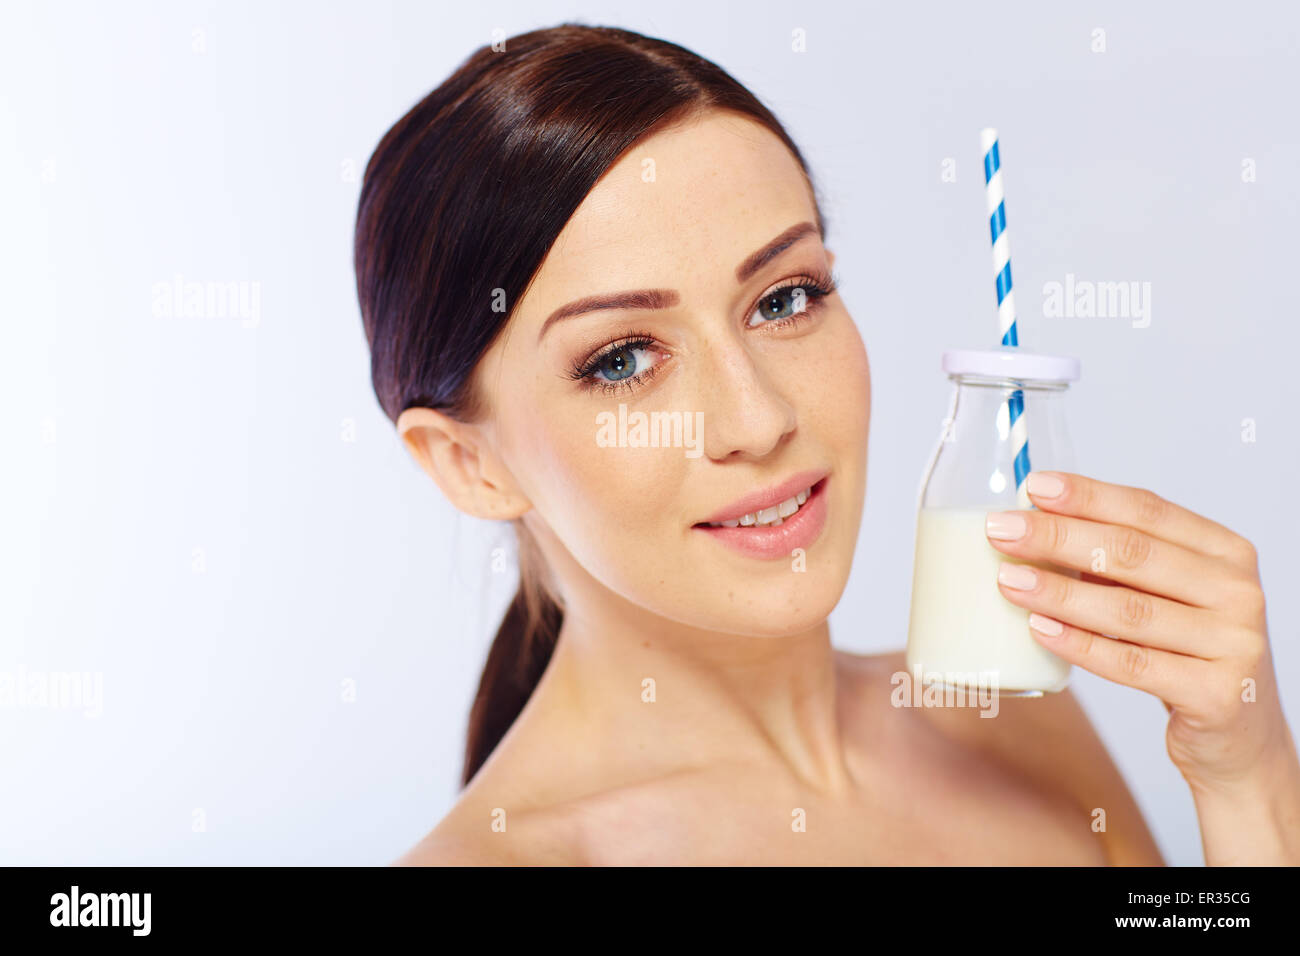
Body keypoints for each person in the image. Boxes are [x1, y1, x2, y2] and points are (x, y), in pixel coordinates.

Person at [353, 23, 1300, 865]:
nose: (760, 420)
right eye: (620, 361)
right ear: (468, 464)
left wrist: (1247, 779)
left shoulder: (1009, 714)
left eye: (784, 299)